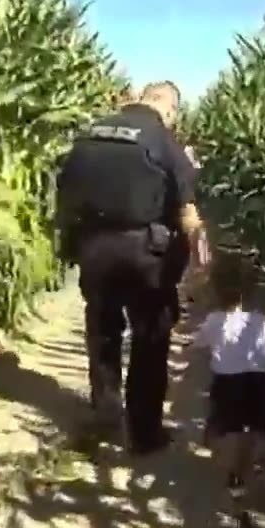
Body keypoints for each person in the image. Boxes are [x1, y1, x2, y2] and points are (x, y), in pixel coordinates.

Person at [55, 80, 208, 454]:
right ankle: (144, 432)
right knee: (150, 338)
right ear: (169, 109)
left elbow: (64, 192)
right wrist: (203, 256)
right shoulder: (163, 140)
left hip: (93, 248)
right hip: (145, 253)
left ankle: (106, 412)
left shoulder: (91, 133)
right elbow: (187, 211)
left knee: (103, 329)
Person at [185, 252, 265, 498]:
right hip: (258, 381)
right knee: (257, 425)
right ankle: (257, 466)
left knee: (229, 427)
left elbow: (197, 344)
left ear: (216, 291)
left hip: (228, 383)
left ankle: (235, 476)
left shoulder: (214, 320)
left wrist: (191, 347)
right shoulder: (259, 321)